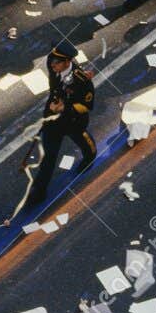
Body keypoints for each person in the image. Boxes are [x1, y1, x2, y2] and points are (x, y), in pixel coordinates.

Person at [23, 41, 96, 209]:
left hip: (73, 120)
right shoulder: (53, 63)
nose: (52, 65)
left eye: (57, 63)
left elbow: (87, 106)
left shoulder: (82, 80)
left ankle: (90, 156)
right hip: (53, 120)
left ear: (67, 62)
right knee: (48, 157)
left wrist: (65, 107)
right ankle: (39, 191)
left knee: (81, 138)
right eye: (52, 62)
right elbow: (55, 87)